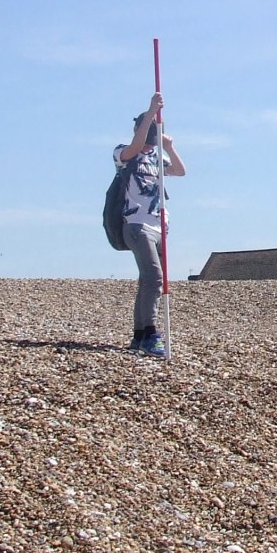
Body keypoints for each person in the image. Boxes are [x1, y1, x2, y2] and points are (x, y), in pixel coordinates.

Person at [113, 92, 186, 357]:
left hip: (158, 227)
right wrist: (151, 111)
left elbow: (180, 171)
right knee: (155, 278)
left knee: (147, 280)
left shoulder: (157, 159)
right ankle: (152, 333)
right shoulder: (124, 153)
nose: (148, 144)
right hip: (136, 224)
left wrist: (169, 147)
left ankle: (139, 335)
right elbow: (134, 147)